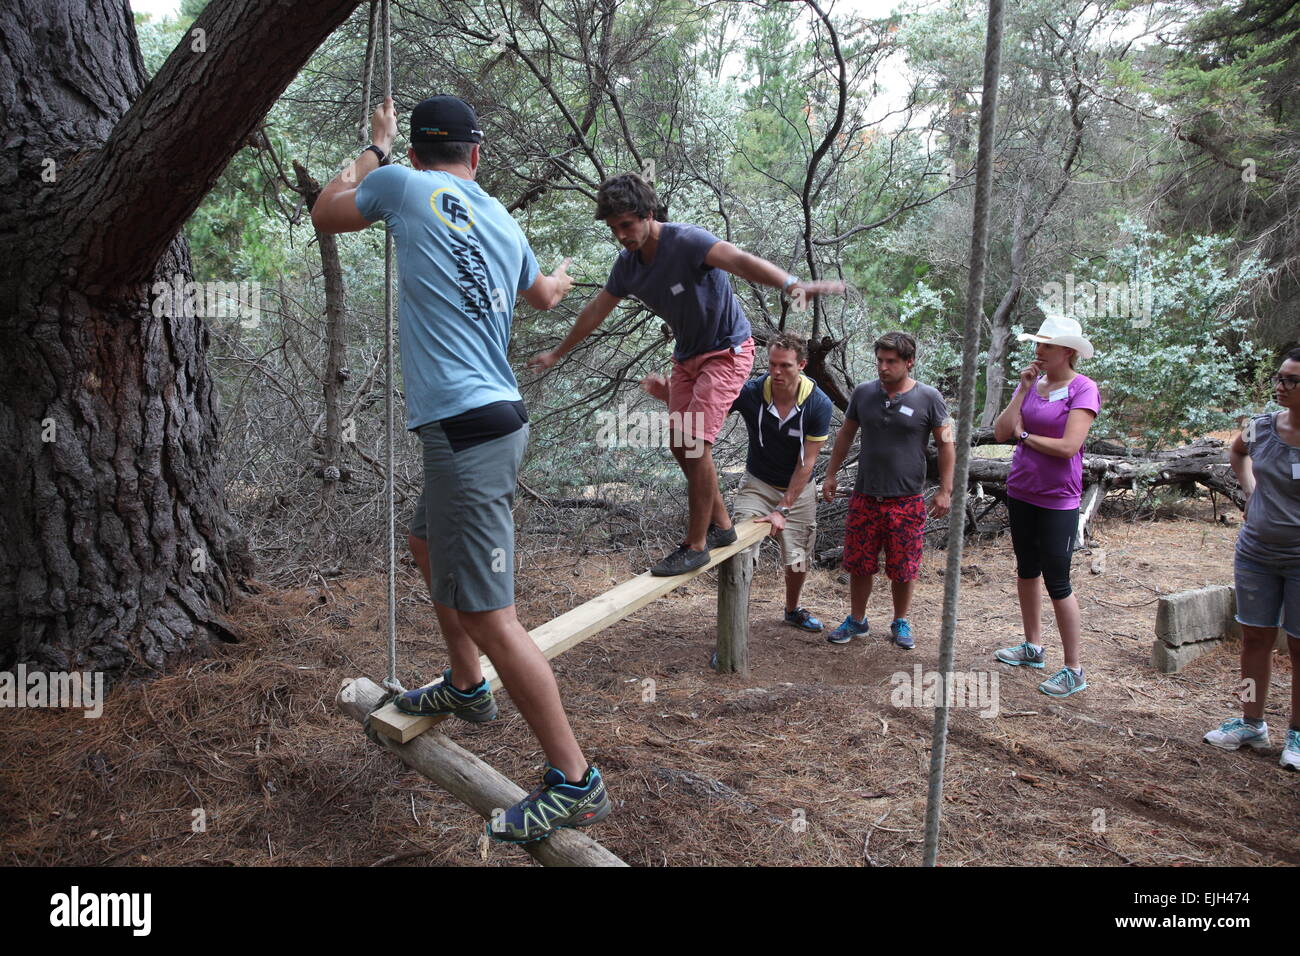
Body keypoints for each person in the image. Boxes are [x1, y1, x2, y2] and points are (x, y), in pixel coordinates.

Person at [311, 95, 611, 843]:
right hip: (481, 424)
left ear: (418, 152)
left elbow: (326, 209)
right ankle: (468, 685)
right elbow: (540, 296)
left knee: (493, 617)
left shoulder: (406, 184)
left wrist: (373, 148)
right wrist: (563, 284)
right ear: (476, 157)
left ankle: (575, 781)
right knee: (424, 545)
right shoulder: (502, 222)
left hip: (468, 432)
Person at [527, 173, 842, 576]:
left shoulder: (686, 241)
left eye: (627, 225)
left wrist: (791, 282)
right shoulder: (627, 267)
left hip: (726, 351)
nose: (621, 235)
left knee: (695, 441)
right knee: (680, 445)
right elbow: (595, 310)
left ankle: (696, 545)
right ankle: (724, 528)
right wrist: (557, 352)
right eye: (613, 228)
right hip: (688, 356)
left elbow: (740, 260)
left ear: (648, 214)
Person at [644, 333, 833, 631]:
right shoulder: (753, 392)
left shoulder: (818, 404)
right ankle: (734, 629)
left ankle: (792, 609)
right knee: (740, 553)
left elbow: (807, 464)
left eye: (785, 366)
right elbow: (704, 415)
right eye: (772, 364)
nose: (777, 372)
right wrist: (670, 397)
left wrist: (783, 509)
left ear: (803, 365)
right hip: (758, 483)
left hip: (798, 490)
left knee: (797, 558)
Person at [822, 332, 955, 649]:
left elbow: (947, 444)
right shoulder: (864, 393)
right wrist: (831, 474)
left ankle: (900, 622)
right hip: (866, 496)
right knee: (859, 563)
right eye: (880, 360)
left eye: (891, 361)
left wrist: (946, 490)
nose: (883, 367)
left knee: (903, 567)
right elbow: (845, 434)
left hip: (906, 499)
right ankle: (857, 620)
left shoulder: (929, 398)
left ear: (909, 362)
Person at [990, 314, 1100, 698]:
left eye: (1047, 345)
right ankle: (1032, 647)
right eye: (1038, 344)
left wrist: (1025, 435)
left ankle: (1074, 668)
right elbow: (1001, 432)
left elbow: (1069, 446)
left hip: (1058, 499)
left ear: (1068, 352)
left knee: (1058, 580)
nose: (1039, 351)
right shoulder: (1034, 385)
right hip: (1022, 490)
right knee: (1026, 570)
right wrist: (1021, 391)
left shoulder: (1083, 389)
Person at [1203, 347, 1300, 771]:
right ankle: (1250, 721)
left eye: (1291, 381)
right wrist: (1250, 490)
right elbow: (1237, 451)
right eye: (1279, 377)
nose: (1280, 386)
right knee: (1254, 640)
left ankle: (1296, 735)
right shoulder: (1261, 428)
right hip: (1256, 553)